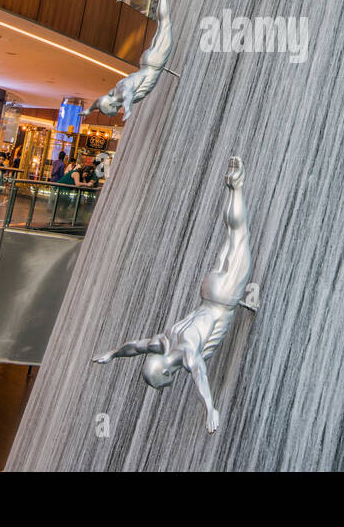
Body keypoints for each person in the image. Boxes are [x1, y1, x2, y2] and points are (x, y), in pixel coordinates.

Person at [92, 157, 255, 433]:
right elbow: (135, 346)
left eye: (163, 384)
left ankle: (236, 185)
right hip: (209, 290)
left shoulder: (186, 352)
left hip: (224, 297)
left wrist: (210, 409)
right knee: (231, 235)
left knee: (239, 235)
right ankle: (231, 187)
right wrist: (112, 354)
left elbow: (200, 376)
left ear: (165, 372)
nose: (167, 387)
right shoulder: (163, 341)